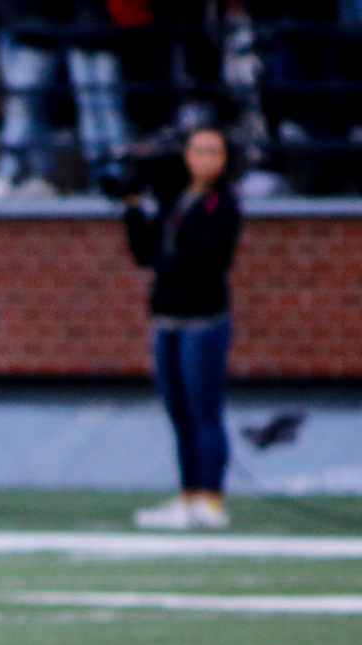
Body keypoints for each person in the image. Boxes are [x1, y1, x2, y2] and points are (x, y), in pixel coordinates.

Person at [126, 126, 241, 530]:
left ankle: (211, 499)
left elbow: (205, 259)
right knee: (178, 413)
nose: (204, 159)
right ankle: (188, 494)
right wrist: (133, 207)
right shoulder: (174, 198)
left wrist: (165, 269)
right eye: (197, 150)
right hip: (167, 318)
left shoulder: (222, 204)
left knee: (203, 410)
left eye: (214, 151)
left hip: (202, 319)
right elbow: (145, 251)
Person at [0, 0, 130, 199]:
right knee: (22, 104)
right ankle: (36, 174)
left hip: (59, 27)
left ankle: (112, 175)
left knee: (96, 103)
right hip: (13, 23)